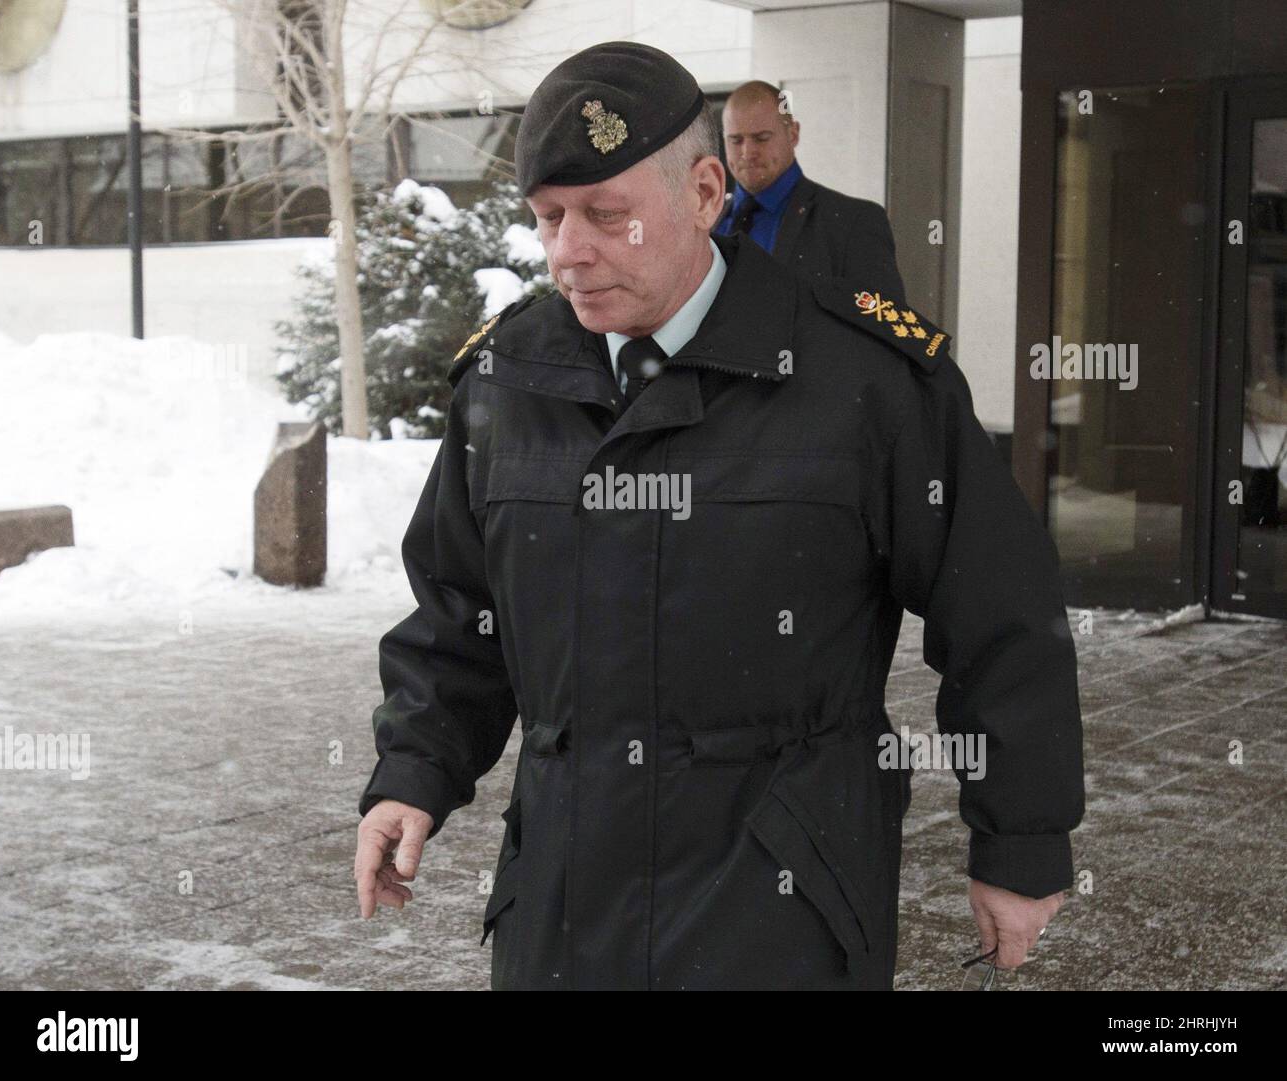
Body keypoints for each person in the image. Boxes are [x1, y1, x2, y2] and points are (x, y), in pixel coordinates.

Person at [354, 40, 1085, 991]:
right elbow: (458, 611)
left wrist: (1020, 841)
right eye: (548, 219)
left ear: (704, 194)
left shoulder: (861, 379)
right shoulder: (508, 378)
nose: (570, 252)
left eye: (608, 217)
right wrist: (415, 768)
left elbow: (999, 609)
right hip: (564, 910)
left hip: (784, 902)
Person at [715, 80, 906, 297]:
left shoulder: (853, 222)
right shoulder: (706, 222)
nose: (747, 152)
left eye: (762, 138)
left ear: (793, 134)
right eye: (736, 140)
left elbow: (885, 324)